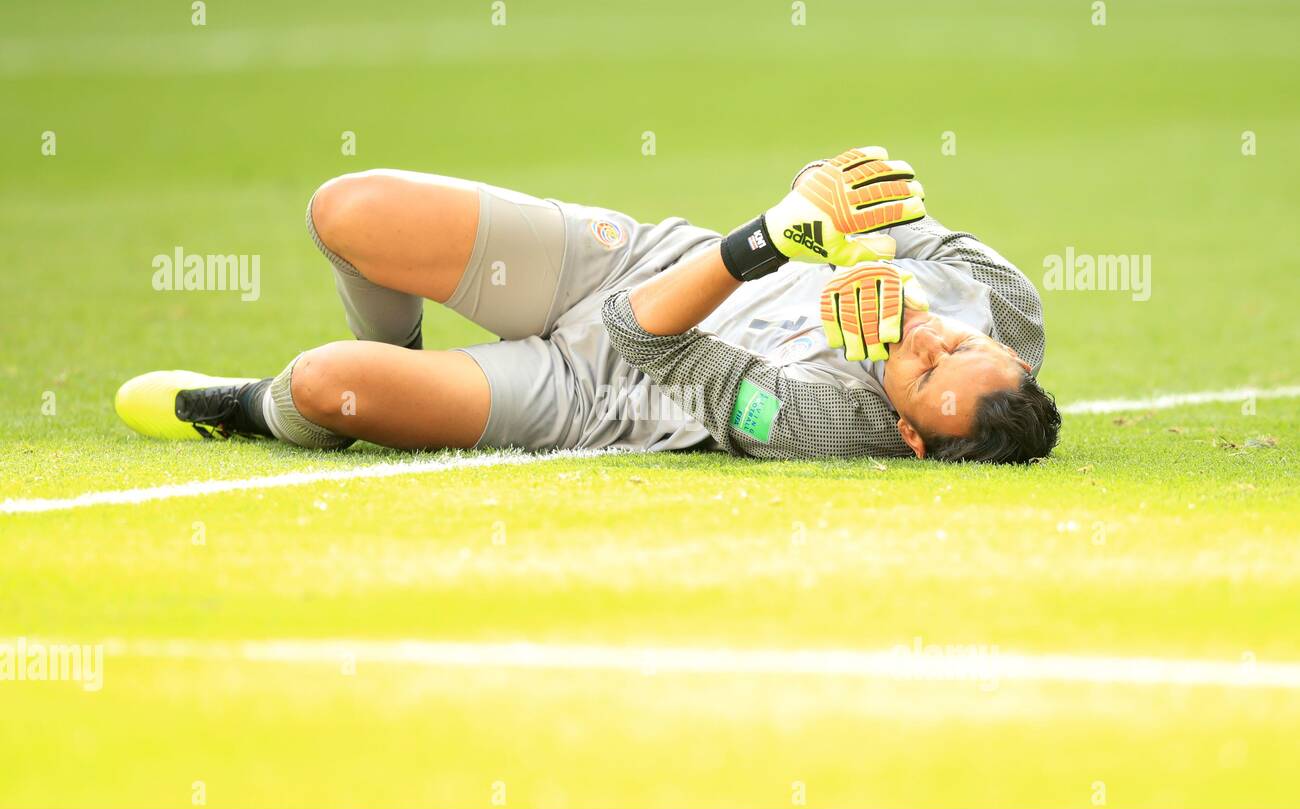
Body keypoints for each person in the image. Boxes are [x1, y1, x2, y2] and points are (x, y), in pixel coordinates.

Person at [115, 146, 1060, 462]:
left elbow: (637, 336)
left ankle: (252, 408)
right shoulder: (1007, 302)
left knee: (324, 386)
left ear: (905, 433)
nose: (932, 336)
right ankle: (402, 351)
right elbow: (894, 205)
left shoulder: (819, 423)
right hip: (632, 258)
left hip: (594, 388)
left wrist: (767, 242)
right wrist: (852, 225)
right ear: (1010, 350)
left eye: (924, 370)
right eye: (961, 341)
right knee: (347, 211)